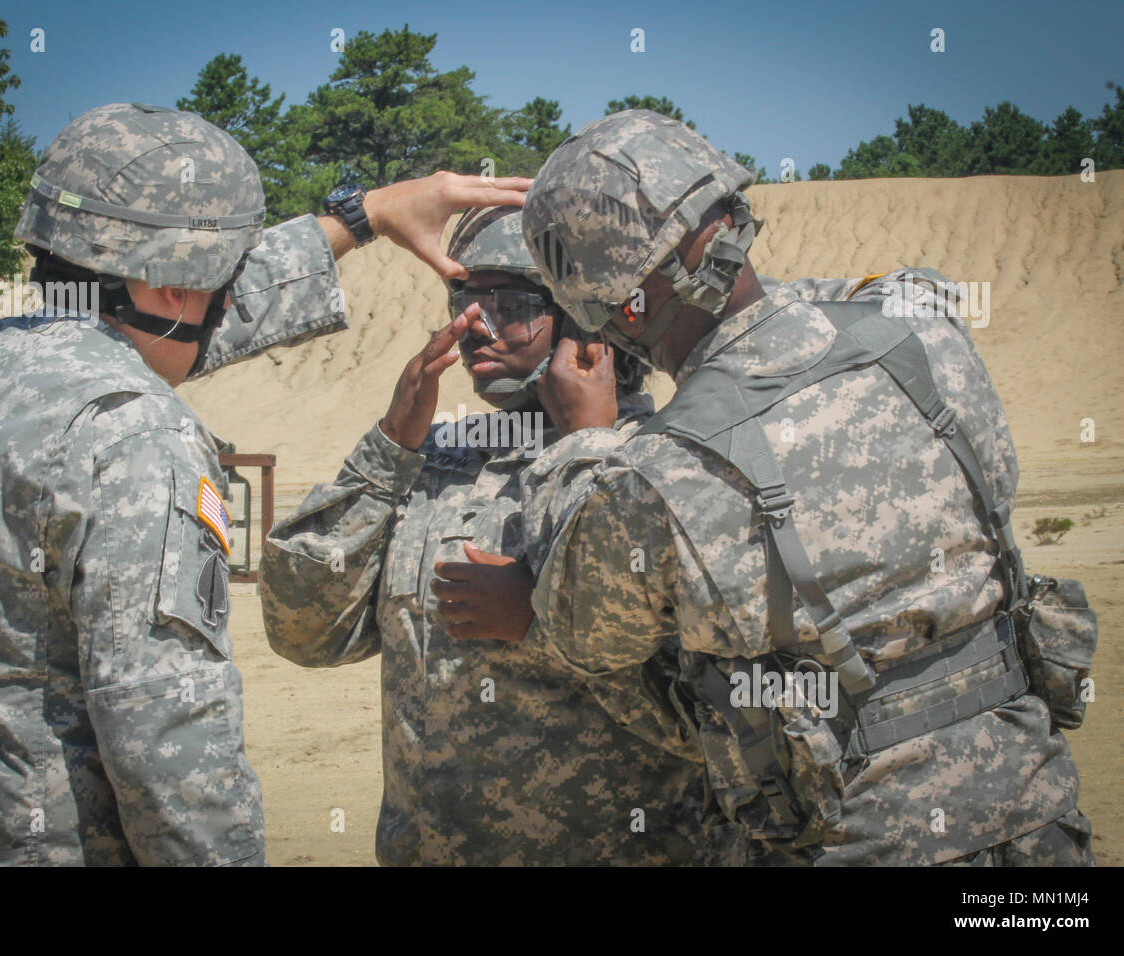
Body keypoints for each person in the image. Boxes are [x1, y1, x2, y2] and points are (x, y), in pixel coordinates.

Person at [0, 102, 528, 866]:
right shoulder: (135, 434)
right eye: (220, 280)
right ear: (176, 289)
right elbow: (168, 743)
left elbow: (157, 322)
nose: (225, 307)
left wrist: (365, 214)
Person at [498, 110, 1093, 865]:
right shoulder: (928, 333)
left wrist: (583, 439)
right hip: (1035, 820)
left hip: (853, 838)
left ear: (602, 306)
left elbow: (586, 629)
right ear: (732, 211)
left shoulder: (654, 476)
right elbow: (899, 289)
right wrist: (762, 306)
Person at [260, 206, 756, 865]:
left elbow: (723, 721)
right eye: (466, 300)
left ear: (588, 320)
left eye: (512, 304)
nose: (475, 327)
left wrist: (543, 618)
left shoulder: (672, 465)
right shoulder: (429, 463)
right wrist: (387, 449)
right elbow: (306, 634)